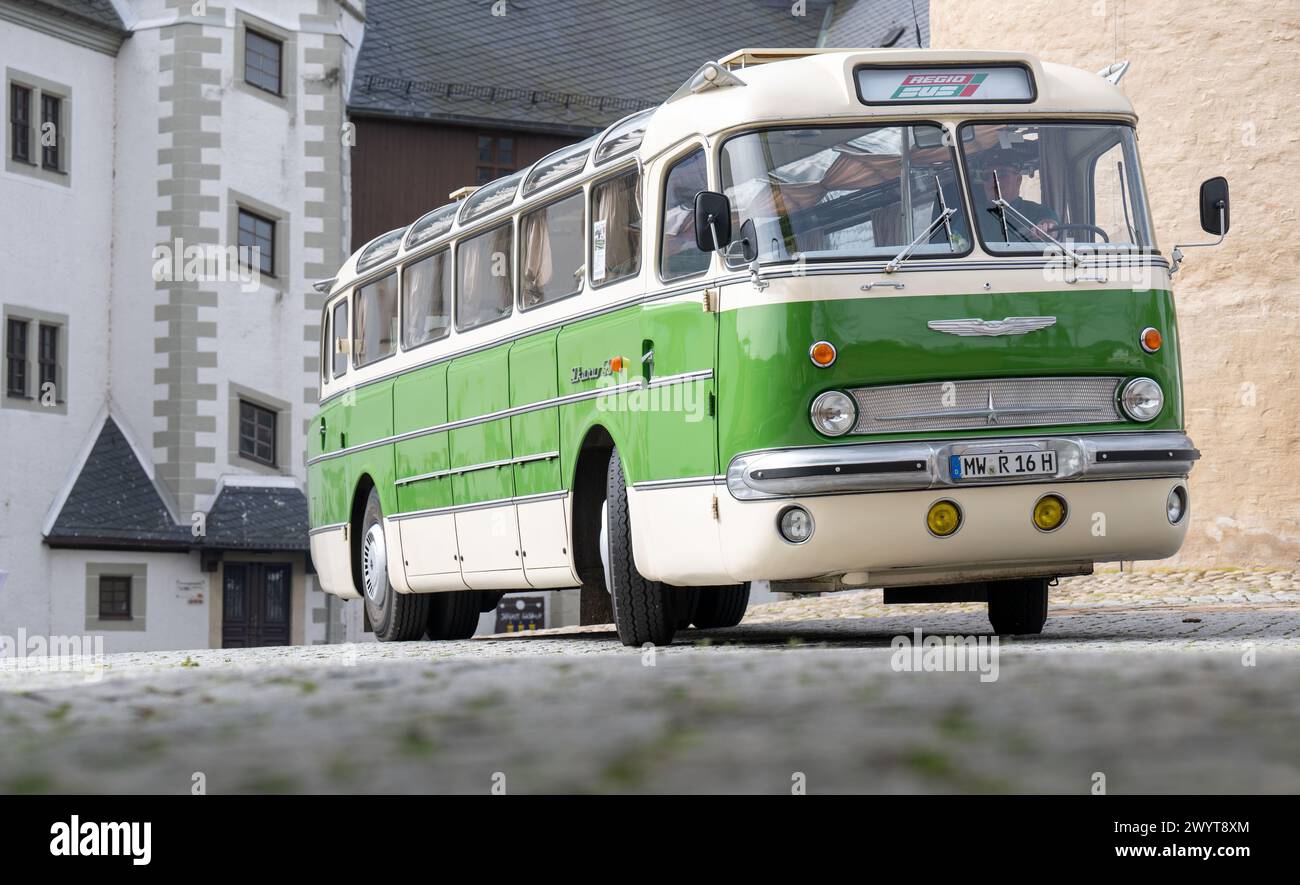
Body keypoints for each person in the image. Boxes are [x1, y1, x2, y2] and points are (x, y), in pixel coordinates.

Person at [974, 148, 1060, 245]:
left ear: (1018, 180)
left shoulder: (1038, 211)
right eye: (986, 176)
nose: (993, 181)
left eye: (1002, 175)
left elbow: (1050, 225)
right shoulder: (972, 217)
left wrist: (1046, 228)